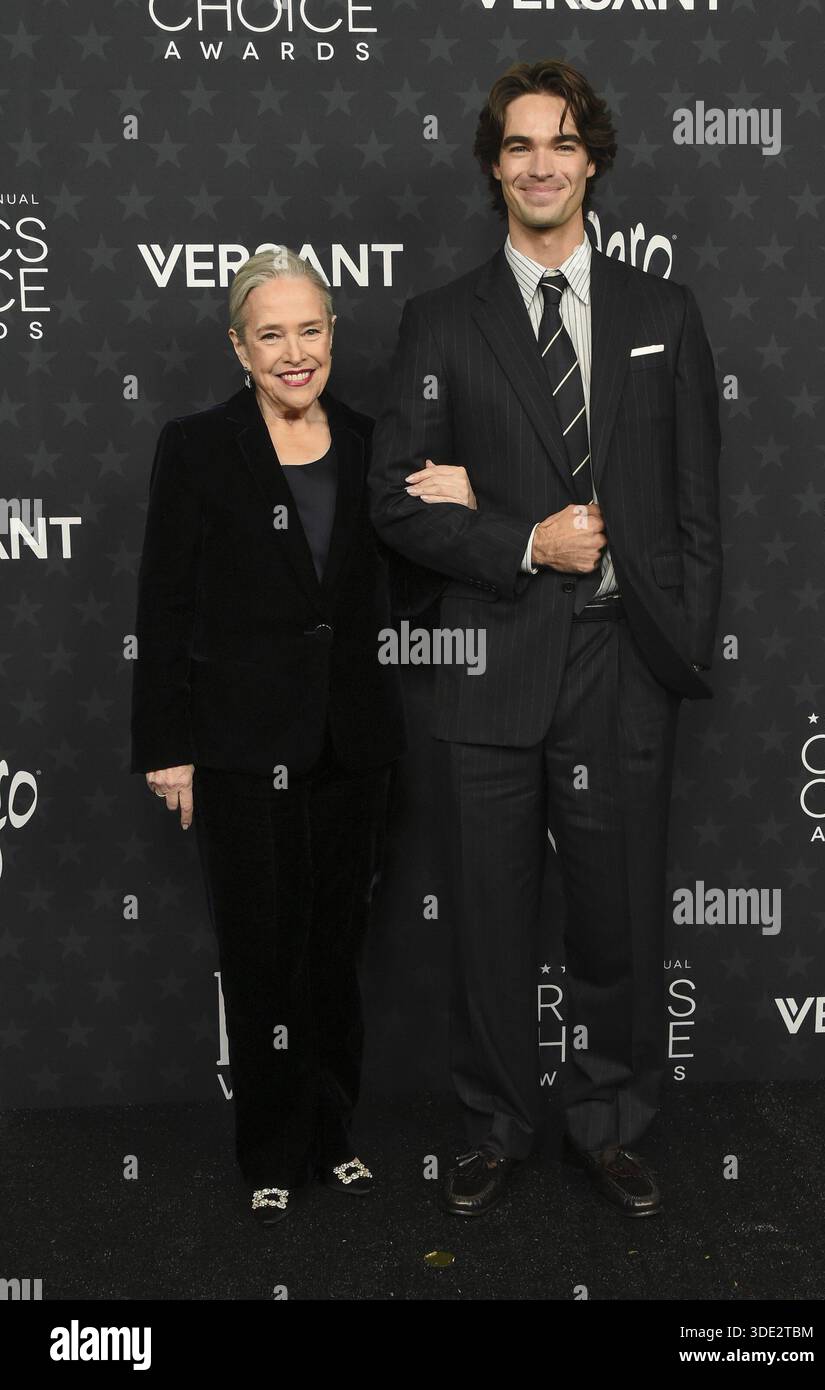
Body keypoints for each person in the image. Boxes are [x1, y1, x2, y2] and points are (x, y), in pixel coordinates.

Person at [369, 60, 722, 1219]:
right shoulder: (438, 321)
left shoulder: (663, 314)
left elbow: (694, 507)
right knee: (487, 917)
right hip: (488, 659)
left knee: (618, 913)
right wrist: (524, 540)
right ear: (492, 167)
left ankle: (610, 1117)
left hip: (622, 661)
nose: (540, 164)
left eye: (561, 144)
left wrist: (683, 634)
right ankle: (496, 1121)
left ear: (592, 160)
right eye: (518, 146)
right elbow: (397, 502)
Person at [130, 246, 406, 1225]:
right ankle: (272, 1149)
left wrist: (457, 505)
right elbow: (162, 602)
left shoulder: (376, 442)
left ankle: (333, 1135)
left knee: (333, 950)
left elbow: (401, 577)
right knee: (260, 952)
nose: (296, 352)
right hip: (242, 747)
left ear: (334, 335)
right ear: (240, 347)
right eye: (272, 334)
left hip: (350, 743)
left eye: (312, 329)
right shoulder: (198, 445)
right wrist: (167, 743)